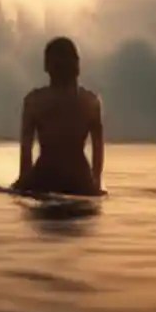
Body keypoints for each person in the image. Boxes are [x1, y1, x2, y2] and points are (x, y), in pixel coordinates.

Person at [12, 37, 105, 196]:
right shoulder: (90, 102)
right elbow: (98, 148)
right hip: (80, 179)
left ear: (47, 67)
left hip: (45, 176)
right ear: (77, 66)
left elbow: (26, 149)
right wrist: (95, 183)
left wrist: (22, 182)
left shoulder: (35, 101)